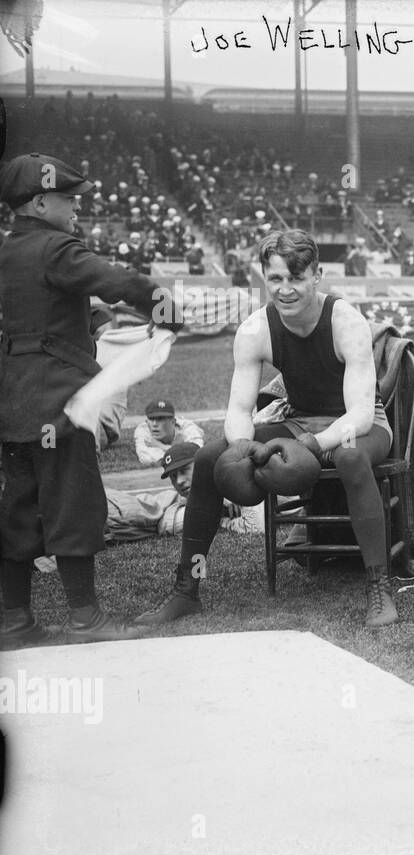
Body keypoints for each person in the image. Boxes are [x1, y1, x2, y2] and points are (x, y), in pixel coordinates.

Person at [136, 228, 399, 629]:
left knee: (347, 456)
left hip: (358, 426)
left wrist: (313, 443)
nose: (286, 290)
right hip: (297, 418)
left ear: (317, 275)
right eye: (276, 279)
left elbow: (360, 414)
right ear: (263, 276)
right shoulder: (255, 329)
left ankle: (379, 589)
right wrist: (240, 450)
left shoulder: (346, 321)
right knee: (209, 456)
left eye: (296, 278)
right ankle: (185, 590)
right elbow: (239, 408)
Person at [0, 151, 173, 645]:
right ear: (38, 202)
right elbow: (118, 283)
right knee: (72, 502)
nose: (77, 209)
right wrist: (167, 306)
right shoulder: (56, 248)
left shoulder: (8, 250)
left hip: (12, 400)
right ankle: (85, 619)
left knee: (17, 507)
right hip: (59, 397)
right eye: (68, 200)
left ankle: (15, 620)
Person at [103, 442, 262, 544]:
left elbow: (255, 525)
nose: (178, 481)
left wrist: (236, 493)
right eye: (173, 476)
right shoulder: (172, 502)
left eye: (185, 470)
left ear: (204, 465)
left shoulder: (241, 477)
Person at [133, 398, 205, 467]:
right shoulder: (143, 430)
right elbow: (146, 459)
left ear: (173, 422)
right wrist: (181, 452)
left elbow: (197, 452)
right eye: (151, 419)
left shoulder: (187, 427)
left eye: (160, 419)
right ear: (146, 421)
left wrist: (161, 446)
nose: (154, 424)